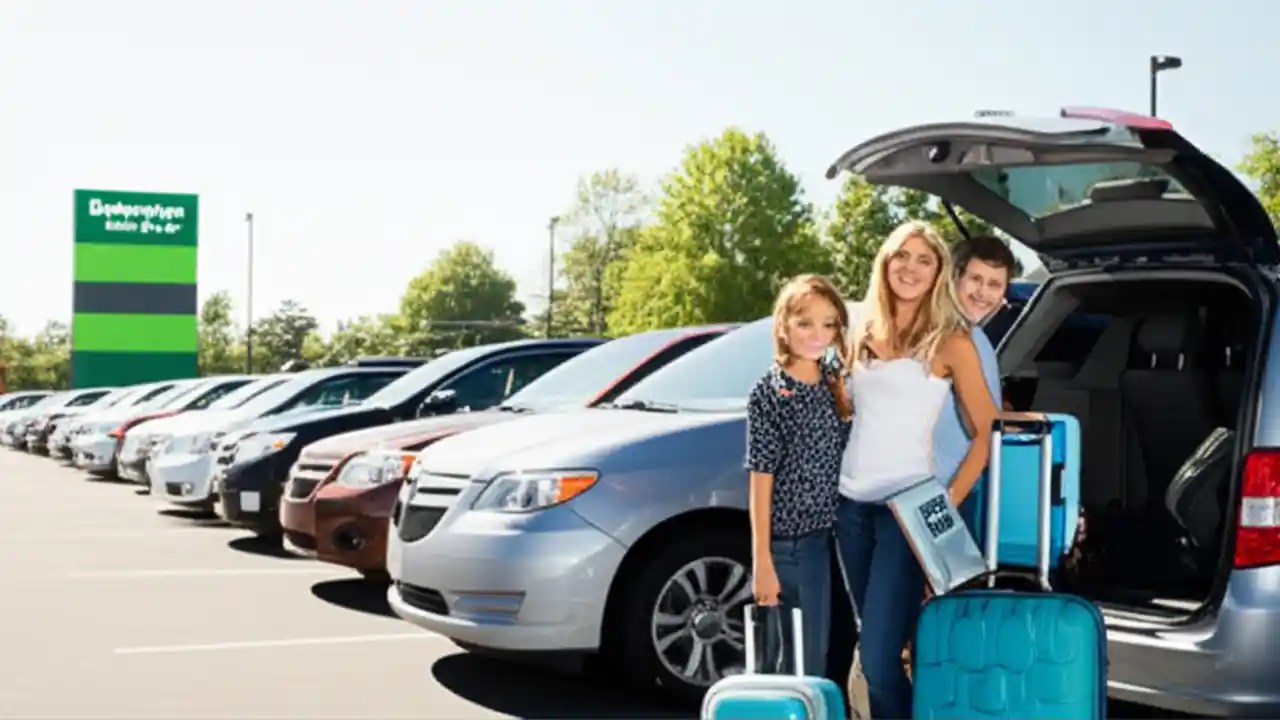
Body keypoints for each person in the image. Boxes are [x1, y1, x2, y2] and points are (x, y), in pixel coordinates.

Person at [834, 220, 1000, 719]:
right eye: (901, 256)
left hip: (904, 513)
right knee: (875, 646)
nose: (910, 268)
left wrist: (946, 502)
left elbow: (986, 433)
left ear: (938, 274)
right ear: (885, 263)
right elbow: (850, 413)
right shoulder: (859, 331)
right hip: (850, 508)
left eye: (924, 261)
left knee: (883, 660)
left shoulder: (950, 342)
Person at [745, 273, 854, 678]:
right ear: (784, 327)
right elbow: (760, 477)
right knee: (799, 661)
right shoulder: (771, 392)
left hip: (836, 539)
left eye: (828, 324)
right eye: (805, 323)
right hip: (792, 544)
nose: (817, 333)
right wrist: (762, 561)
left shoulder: (834, 381)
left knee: (831, 655)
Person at [938, 234, 1018, 536]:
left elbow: (984, 425)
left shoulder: (973, 338)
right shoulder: (965, 338)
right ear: (954, 277)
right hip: (947, 496)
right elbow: (987, 431)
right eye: (975, 279)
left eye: (994, 285)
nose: (983, 293)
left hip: (953, 493)